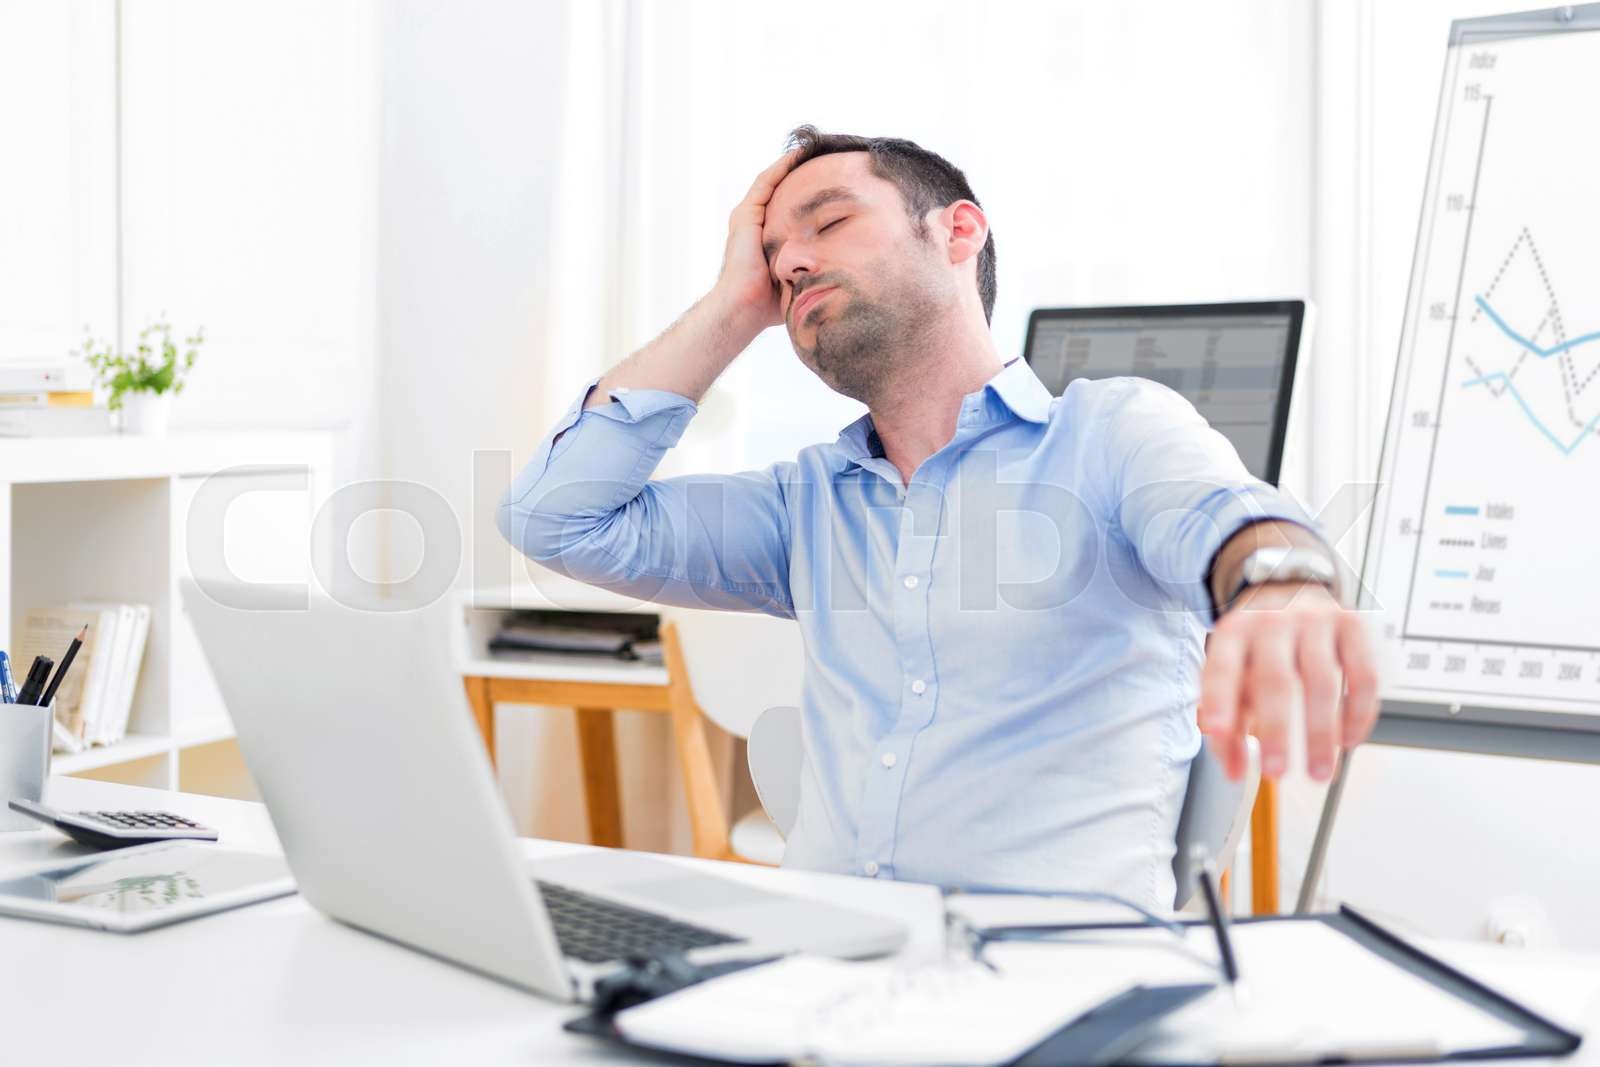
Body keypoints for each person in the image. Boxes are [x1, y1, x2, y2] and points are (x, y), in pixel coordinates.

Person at [498, 126, 1378, 910]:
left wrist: (1278, 590)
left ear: (958, 231)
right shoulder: (806, 502)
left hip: (1050, 991)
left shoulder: (1109, 433)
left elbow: (1235, 520)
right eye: (772, 257)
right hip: (821, 977)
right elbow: (556, 520)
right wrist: (732, 308)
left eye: (829, 222)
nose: (792, 261)